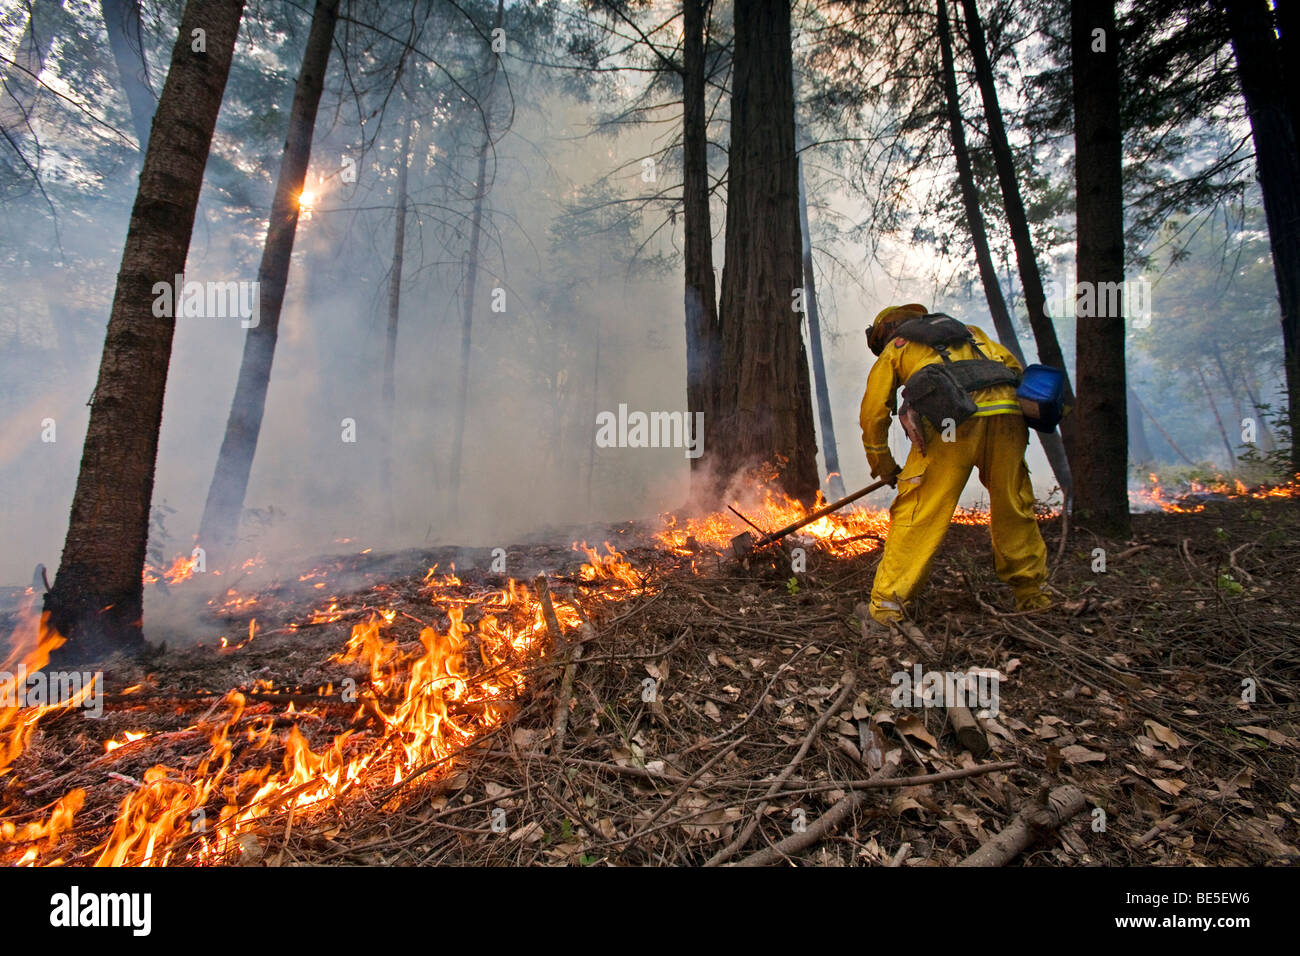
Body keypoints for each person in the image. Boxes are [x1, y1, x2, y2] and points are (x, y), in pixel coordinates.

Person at [860, 303, 1051, 625]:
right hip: (1007, 416)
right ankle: (1032, 595)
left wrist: (883, 463)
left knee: (921, 508)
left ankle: (886, 609)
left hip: (952, 422)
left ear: (886, 331)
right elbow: (1015, 371)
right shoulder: (972, 335)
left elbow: (873, 413)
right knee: (1013, 505)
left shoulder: (899, 346)